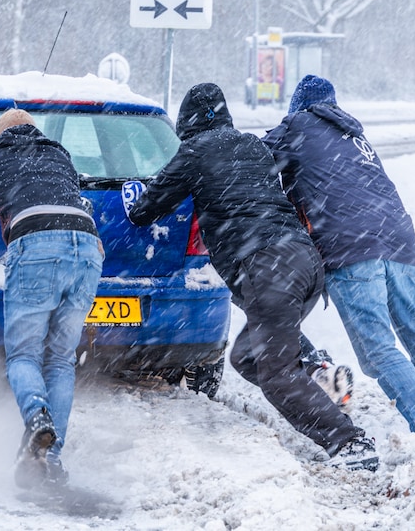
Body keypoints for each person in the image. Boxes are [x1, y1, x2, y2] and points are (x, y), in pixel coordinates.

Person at [127, 82, 378, 471]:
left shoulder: (194, 151)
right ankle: (316, 375)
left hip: (268, 266)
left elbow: (146, 209)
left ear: (187, 121)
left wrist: (135, 194)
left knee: (276, 375)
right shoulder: (254, 145)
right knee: (246, 356)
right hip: (304, 261)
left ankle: (350, 443)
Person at [263, 75, 415, 443]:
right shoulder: (354, 135)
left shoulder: (298, 124)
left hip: (351, 245)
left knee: (379, 350)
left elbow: (251, 158)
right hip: (398, 241)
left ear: (298, 106)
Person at [0, 109, 104, 490]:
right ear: (35, 130)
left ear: (1, 135)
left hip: (35, 244)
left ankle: (36, 418)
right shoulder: (59, 152)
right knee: (61, 359)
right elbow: (73, 193)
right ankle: (50, 460)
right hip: (87, 246)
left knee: (24, 355)